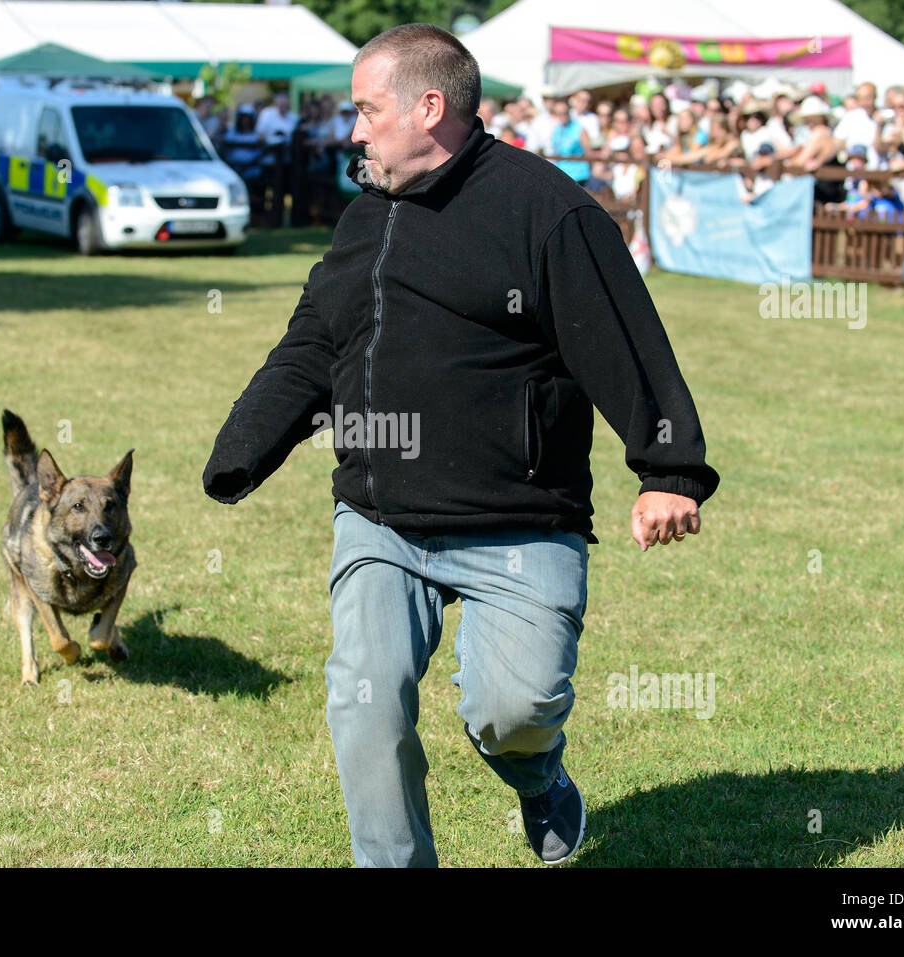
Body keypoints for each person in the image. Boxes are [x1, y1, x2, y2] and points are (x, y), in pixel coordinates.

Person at [202, 22, 719, 868]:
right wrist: (245, 445)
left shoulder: (544, 209)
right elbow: (314, 343)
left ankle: (538, 774)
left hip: (519, 521)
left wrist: (669, 469)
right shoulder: (368, 217)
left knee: (509, 711)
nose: (355, 130)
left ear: (428, 108)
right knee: (362, 704)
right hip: (381, 518)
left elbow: (620, 337)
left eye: (367, 110)